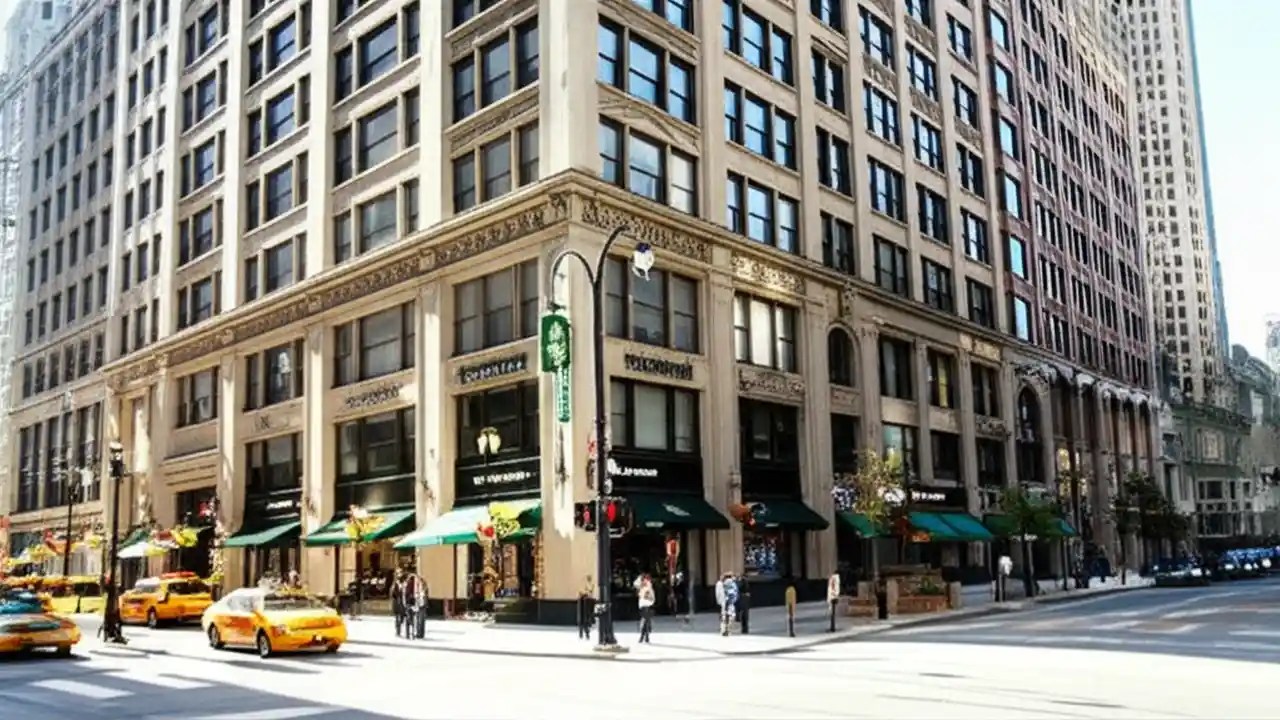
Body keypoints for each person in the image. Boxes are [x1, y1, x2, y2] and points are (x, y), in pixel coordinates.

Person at [714, 572, 739, 637]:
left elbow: (719, 594)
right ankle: (728, 630)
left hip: (724, 602)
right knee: (730, 616)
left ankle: (724, 630)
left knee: (724, 617)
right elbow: (735, 594)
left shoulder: (723, 583)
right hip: (730, 603)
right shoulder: (733, 584)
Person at [637, 575, 655, 644]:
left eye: (648, 579)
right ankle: (646, 637)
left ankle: (643, 637)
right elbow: (636, 584)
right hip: (642, 605)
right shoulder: (642, 587)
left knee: (645, 621)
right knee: (646, 621)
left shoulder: (649, 587)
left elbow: (652, 597)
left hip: (647, 605)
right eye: (645, 579)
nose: (646, 581)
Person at [577, 575, 595, 640]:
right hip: (584, 604)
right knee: (583, 620)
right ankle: (582, 633)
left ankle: (585, 633)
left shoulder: (591, 585)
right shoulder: (582, 598)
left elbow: (590, 591)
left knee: (585, 620)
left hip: (587, 604)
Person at [391, 571, 406, 638]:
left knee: (401, 617)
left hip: (402, 603)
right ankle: (398, 631)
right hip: (397, 603)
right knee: (398, 617)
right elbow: (393, 594)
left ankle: (399, 628)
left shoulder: (404, 584)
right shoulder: (395, 584)